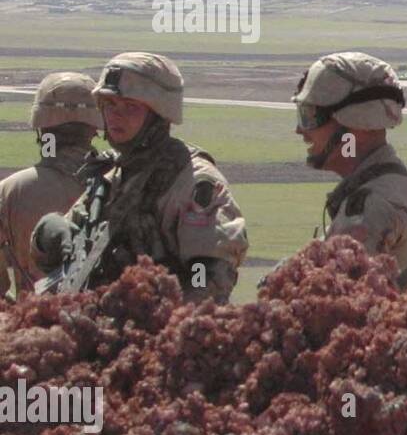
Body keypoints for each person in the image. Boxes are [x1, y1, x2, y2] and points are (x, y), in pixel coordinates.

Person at [30, 52, 247, 303]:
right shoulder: (113, 176)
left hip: (157, 331)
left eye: (130, 107)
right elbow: (54, 257)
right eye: (109, 104)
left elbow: (210, 276)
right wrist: (47, 235)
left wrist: (162, 317)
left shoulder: (192, 181)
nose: (115, 115)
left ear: (159, 114)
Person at [291, 51, 407, 290]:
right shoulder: (398, 184)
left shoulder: (371, 205)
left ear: (353, 125)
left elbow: (336, 303)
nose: (300, 131)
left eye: (310, 117)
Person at [0, 72, 103, 295]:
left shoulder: (11, 190)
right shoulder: (119, 182)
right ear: (95, 129)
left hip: (33, 324)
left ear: (42, 130)